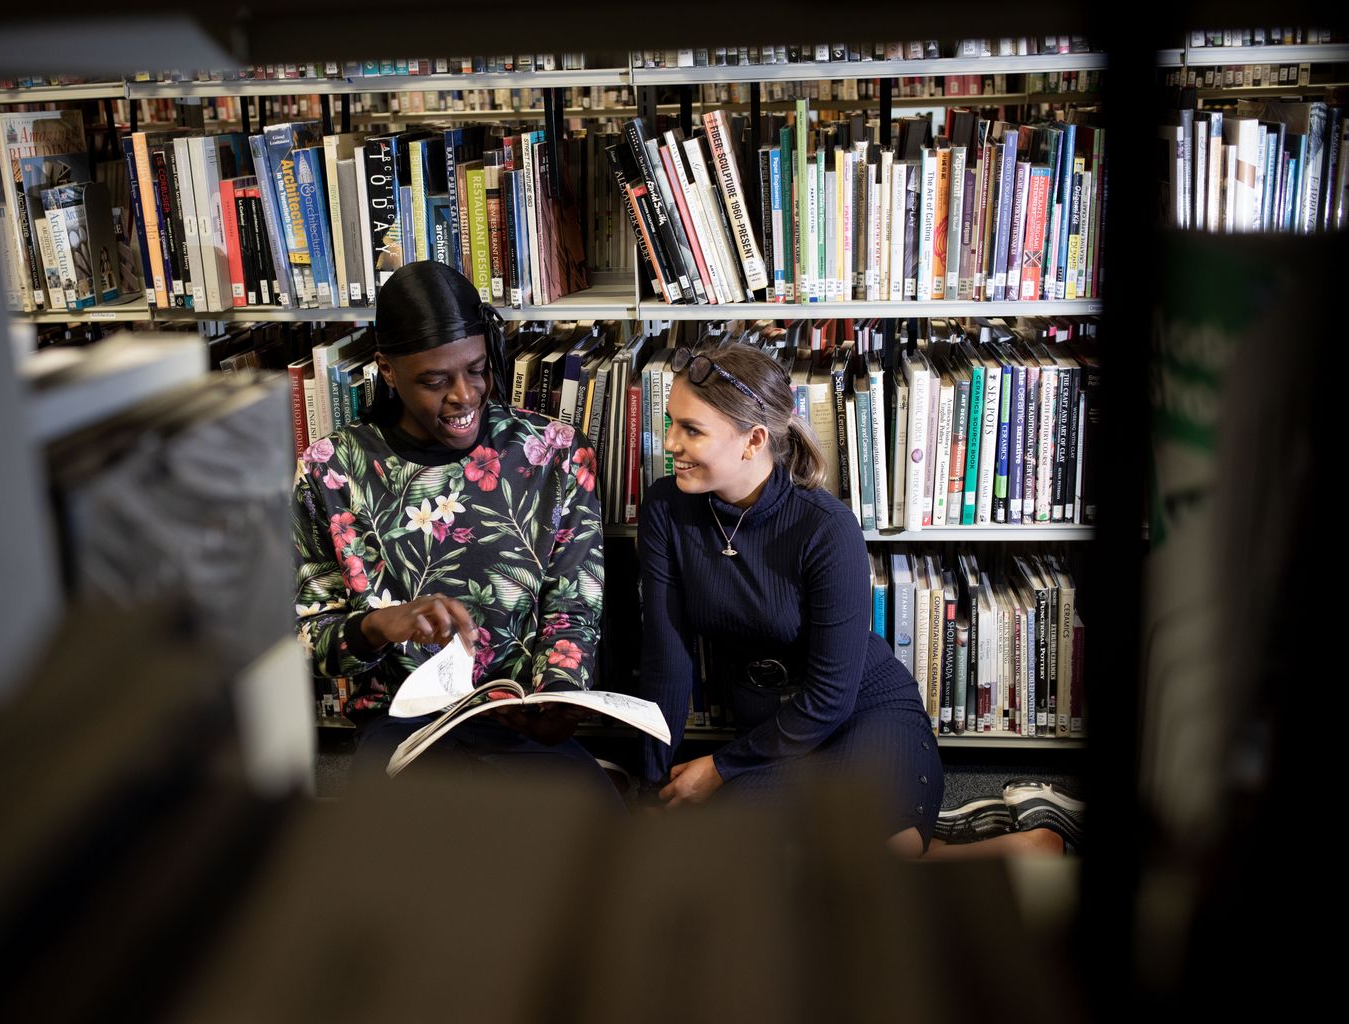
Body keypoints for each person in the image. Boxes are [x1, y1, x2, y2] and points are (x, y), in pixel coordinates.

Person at [633, 343, 1077, 856]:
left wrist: (720, 767)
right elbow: (666, 658)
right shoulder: (666, 509)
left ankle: (997, 848)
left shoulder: (826, 527)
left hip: (864, 713)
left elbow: (829, 699)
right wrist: (651, 783)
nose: (669, 443)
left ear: (753, 440)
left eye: (691, 430)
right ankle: (959, 849)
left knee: (874, 873)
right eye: (672, 423)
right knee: (729, 867)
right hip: (771, 734)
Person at [292, 260, 615, 799]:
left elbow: (574, 606)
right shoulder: (330, 469)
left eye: (477, 369)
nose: (464, 395)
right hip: (403, 730)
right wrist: (379, 626)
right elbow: (313, 639)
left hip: (523, 722)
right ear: (387, 371)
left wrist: (561, 696)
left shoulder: (555, 453)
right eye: (434, 380)